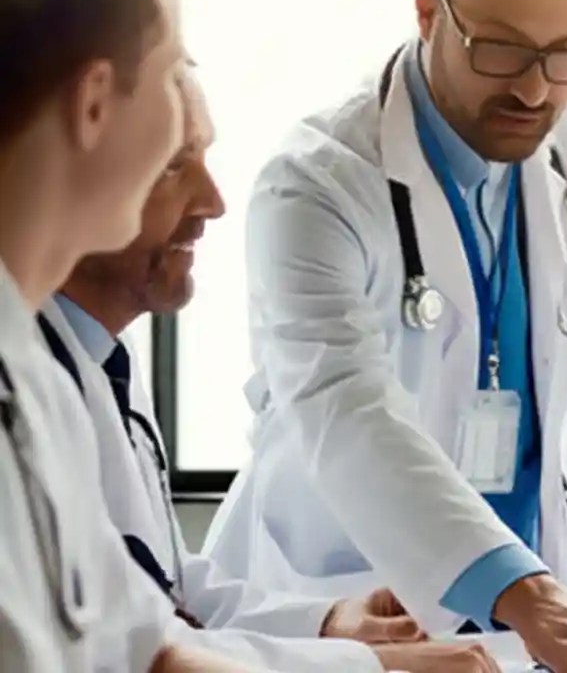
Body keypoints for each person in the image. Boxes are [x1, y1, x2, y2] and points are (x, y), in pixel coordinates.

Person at [201, 0, 567, 669]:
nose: (535, 90)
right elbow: (350, 416)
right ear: (427, 9)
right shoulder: (316, 184)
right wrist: (529, 595)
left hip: (529, 622)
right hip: (347, 616)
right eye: (501, 48)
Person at [38, 65, 503, 672]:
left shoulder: (102, 360)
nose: (214, 202)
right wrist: (371, 667)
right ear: (64, 178)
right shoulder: (28, 391)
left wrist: (330, 623)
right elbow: (123, 652)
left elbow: (163, 589)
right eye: (173, 165)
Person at [0, 0, 257, 670]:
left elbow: (147, 649)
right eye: (171, 75)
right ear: (94, 104)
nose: (214, 200)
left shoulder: (36, 375)